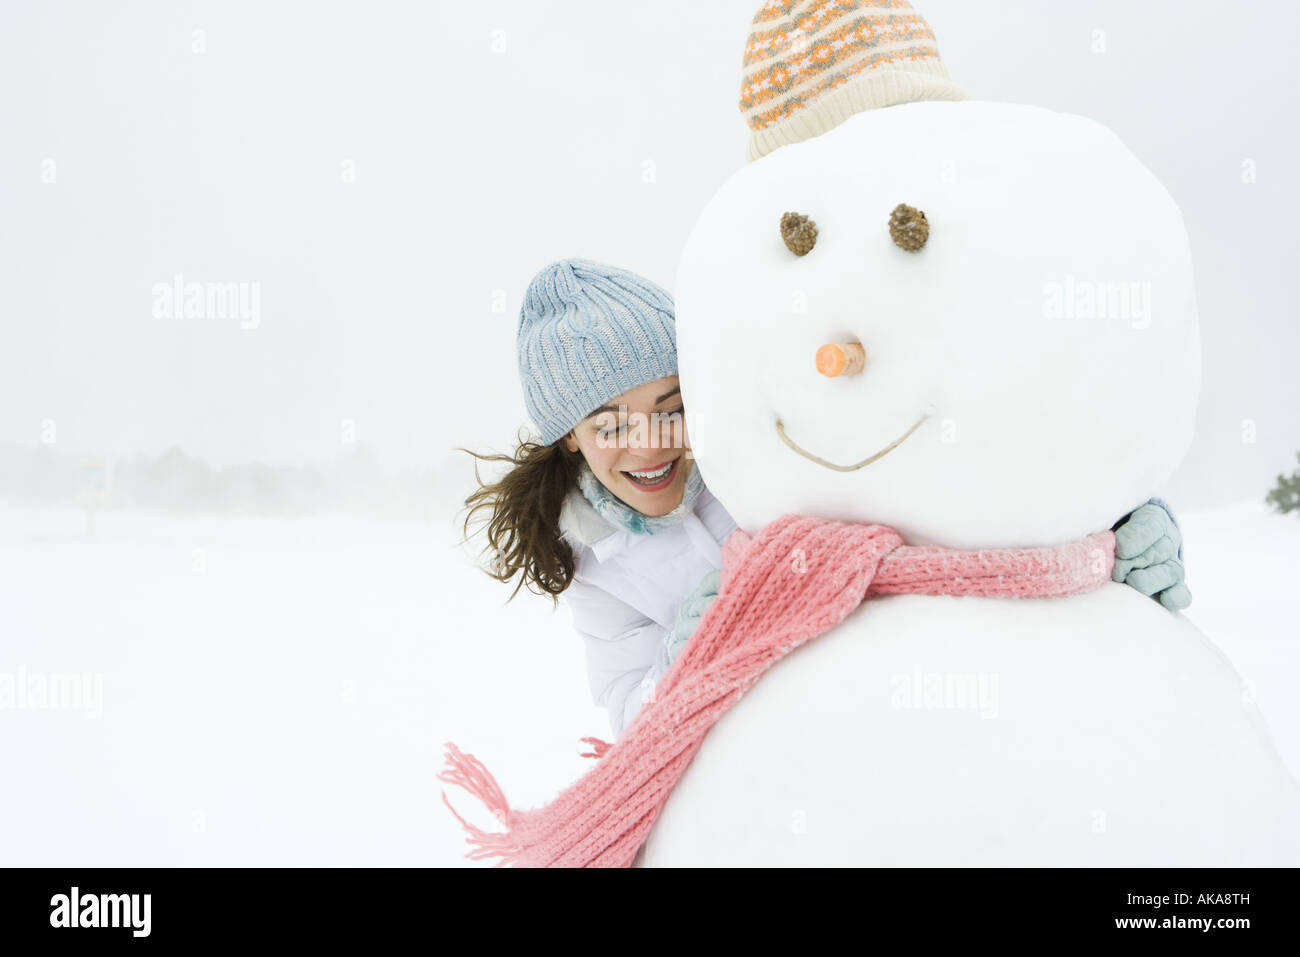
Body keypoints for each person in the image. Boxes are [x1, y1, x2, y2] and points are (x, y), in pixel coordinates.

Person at [461, 258, 1190, 740]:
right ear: (569, 440)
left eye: (671, 404)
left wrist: (1111, 516)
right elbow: (628, 709)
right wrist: (682, 658)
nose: (650, 442)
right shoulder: (598, 563)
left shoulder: (764, 456)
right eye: (611, 423)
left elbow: (936, 492)